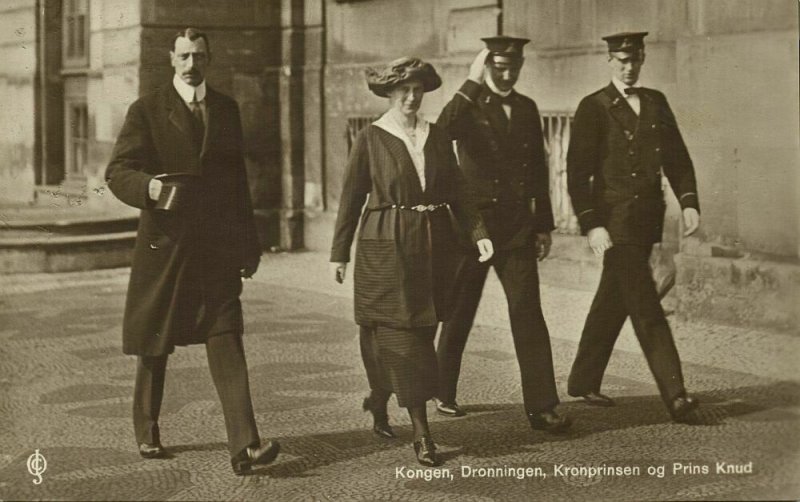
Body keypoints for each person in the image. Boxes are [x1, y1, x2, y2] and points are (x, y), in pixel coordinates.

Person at [105, 28, 280, 475]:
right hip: (165, 246)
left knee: (226, 337)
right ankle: (146, 429)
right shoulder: (146, 110)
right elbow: (118, 170)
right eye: (184, 56)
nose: (191, 64)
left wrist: (249, 243)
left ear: (209, 59)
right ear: (171, 59)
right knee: (155, 341)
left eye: (199, 56)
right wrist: (150, 186)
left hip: (217, 247)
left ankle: (246, 445)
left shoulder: (225, 108)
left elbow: (238, 182)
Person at [330, 57, 494, 467]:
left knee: (421, 329)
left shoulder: (436, 135)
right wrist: (339, 253)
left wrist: (479, 233)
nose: (411, 96)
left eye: (418, 89)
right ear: (388, 92)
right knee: (408, 340)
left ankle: (379, 398)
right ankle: (422, 433)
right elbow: (351, 198)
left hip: (434, 246)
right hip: (386, 246)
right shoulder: (372, 137)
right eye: (403, 89)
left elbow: (458, 190)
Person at [434, 36, 571, 433]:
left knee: (527, 310)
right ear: (486, 66)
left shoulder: (527, 108)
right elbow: (441, 132)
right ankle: (442, 390)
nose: (507, 73)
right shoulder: (470, 104)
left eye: (514, 66)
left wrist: (543, 223)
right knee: (460, 311)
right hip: (471, 228)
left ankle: (543, 406)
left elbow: (539, 170)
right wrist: (471, 83)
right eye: (499, 67)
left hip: (515, 230)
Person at [566, 32, 701, 422]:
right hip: (616, 225)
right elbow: (577, 174)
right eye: (622, 60)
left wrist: (689, 201)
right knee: (646, 308)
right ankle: (676, 395)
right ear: (609, 60)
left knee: (613, 299)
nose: (629, 67)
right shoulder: (593, 107)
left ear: (642, 60)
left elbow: (677, 157)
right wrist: (592, 223)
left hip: (647, 221)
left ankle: (582, 380)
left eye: (635, 60)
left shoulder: (656, 102)